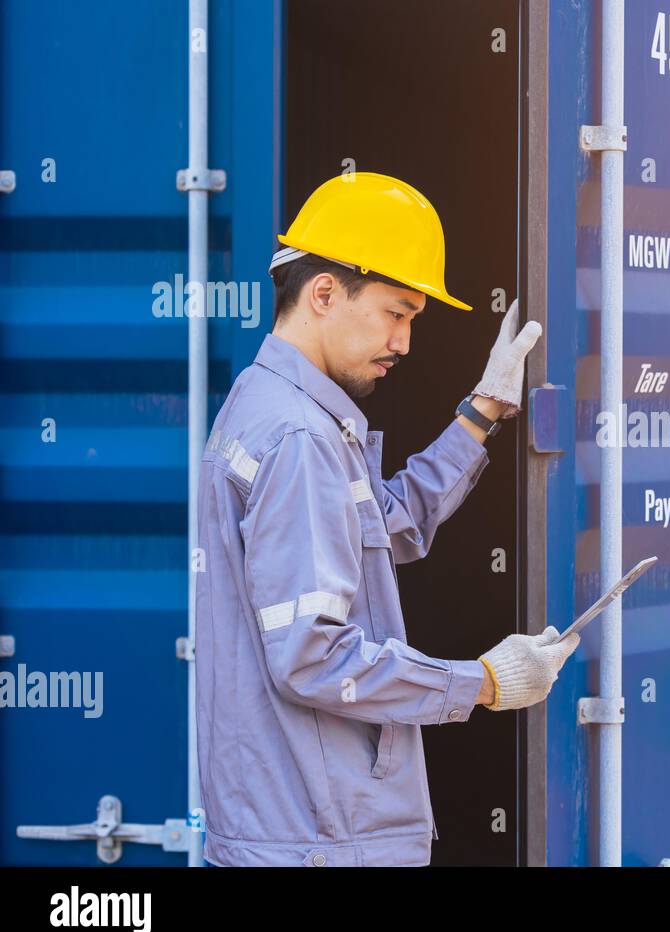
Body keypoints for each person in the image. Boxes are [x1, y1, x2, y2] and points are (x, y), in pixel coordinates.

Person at [195, 172, 580, 867]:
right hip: (319, 837)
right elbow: (312, 658)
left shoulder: (267, 405)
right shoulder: (300, 439)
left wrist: (483, 409)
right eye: (394, 313)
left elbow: (388, 524)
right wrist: (484, 683)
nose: (404, 342)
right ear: (322, 293)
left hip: (294, 829)